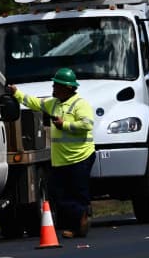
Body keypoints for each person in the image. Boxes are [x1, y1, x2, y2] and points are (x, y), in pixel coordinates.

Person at [8, 67, 96, 238]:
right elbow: (34, 103)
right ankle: (82, 215)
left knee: (78, 192)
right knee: (59, 193)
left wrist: (65, 125)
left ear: (67, 88)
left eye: (56, 85)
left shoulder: (80, 104)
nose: (53, 88)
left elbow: (87, 125)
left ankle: (79, 224)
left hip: (80, 157)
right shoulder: (53, 103)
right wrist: (17, 93)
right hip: (61, 159)